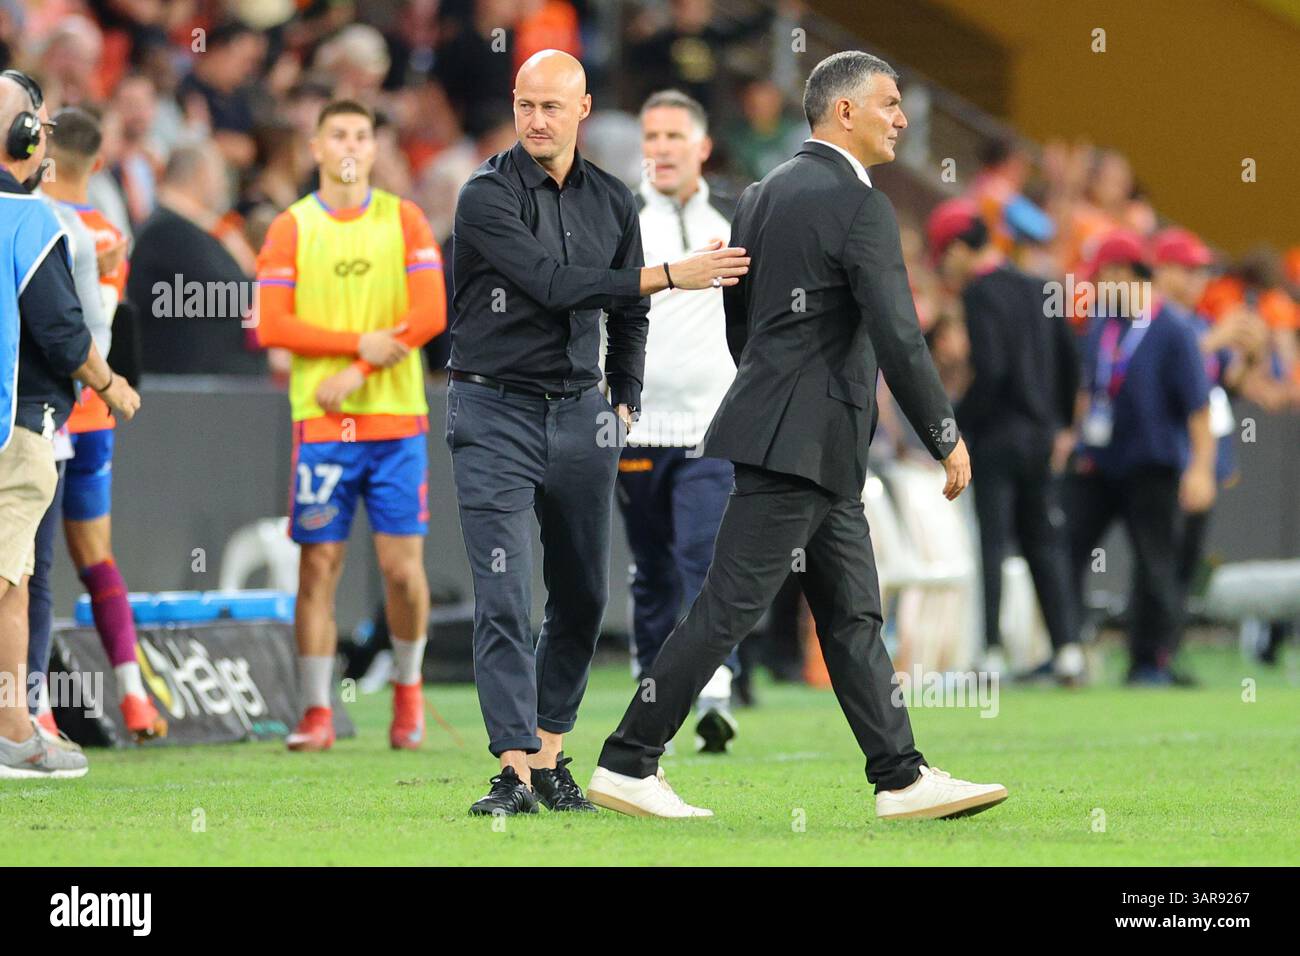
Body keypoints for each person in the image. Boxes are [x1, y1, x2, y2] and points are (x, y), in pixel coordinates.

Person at [587, 51, 1007, 821]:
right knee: (725, 608)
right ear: (843, 111)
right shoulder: (861, 204)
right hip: (807, 443)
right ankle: (627, 761)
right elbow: (899, 334)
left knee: (851, 617)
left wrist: (779, 394)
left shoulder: (759, 193)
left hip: (801, 438)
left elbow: (739, 324)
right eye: (888, 103)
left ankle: (901, 776)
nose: (903, 119)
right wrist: (944, 434)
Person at [446, 49, 749, 816]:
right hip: (493, 410)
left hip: (583, 413)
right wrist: (669, 274)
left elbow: (627, 318)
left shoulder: (612, 202)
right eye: (525, 106)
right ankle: (510, 771)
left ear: (583, 111)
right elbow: (551, 285)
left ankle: (549, 755)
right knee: (505, 592)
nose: (537, 120)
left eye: (552, 107)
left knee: (582, 595)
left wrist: (626, 396)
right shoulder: (484, 195)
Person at [255, 99, 447, 752]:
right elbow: (272, 323)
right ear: (315, 147)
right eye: (337, 133)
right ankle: (316, 712)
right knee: (319, 566)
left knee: (401, 570)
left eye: (362, 135)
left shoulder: (405, 219)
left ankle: (408, 690)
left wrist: (356, 371)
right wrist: (357, 345)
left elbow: (430, 315)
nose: (349, 144)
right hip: (321, 423)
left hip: (394, 421)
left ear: (373, 149)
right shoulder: (292, 227)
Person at [0, 69, 138, 779]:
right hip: (15, 424)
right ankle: (16, 729)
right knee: (9, 577)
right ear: (27, 137)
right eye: (37, 123)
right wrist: (110, 383)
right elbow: (60, 331)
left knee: (17, 575)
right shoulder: (30, 219)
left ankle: (17, 727)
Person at [35, 106, 165, 741]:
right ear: (100, 161)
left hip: (50, 408)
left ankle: (32, 709)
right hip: (98, 416)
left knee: (27, 563)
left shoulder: (37, 221)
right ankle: (135, 696)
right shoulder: (113, 234)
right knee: (97, 557)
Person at [621, 89, 742, 753]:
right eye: (651, 135)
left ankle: (715, 689)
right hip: (638, 427)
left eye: (673, 136)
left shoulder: (735, 216)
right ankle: (652, 696)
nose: (660, 148)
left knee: (705, 557)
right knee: (652, 571)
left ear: (701, 146)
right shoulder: (621, 220)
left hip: (711, 426)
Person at [927, 197, 1084, 684]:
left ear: (957, 248)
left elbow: (991, 369)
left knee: (993, 542)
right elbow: (1071, 363)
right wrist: (1058, 423)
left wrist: (956, 421)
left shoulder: (980, 294)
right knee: (1045, 542)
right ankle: (1068, 649)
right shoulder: (1039, 287)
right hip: (1039, 437)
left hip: (997, 436)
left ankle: (992, 652)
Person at [1069, 230, 1215, 686]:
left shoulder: (1171, 329)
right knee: (1065, 546)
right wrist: (1074, 441)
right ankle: (1066, 647)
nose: (1095, 288)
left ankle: (1150, 661)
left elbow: (1198, 409)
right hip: (1100, 460)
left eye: (1102, 277)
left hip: (1153, 463)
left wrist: (1201, 468)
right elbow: (1088, 389)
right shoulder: (1103, 325)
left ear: (1123, 274)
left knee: (1155, 562)